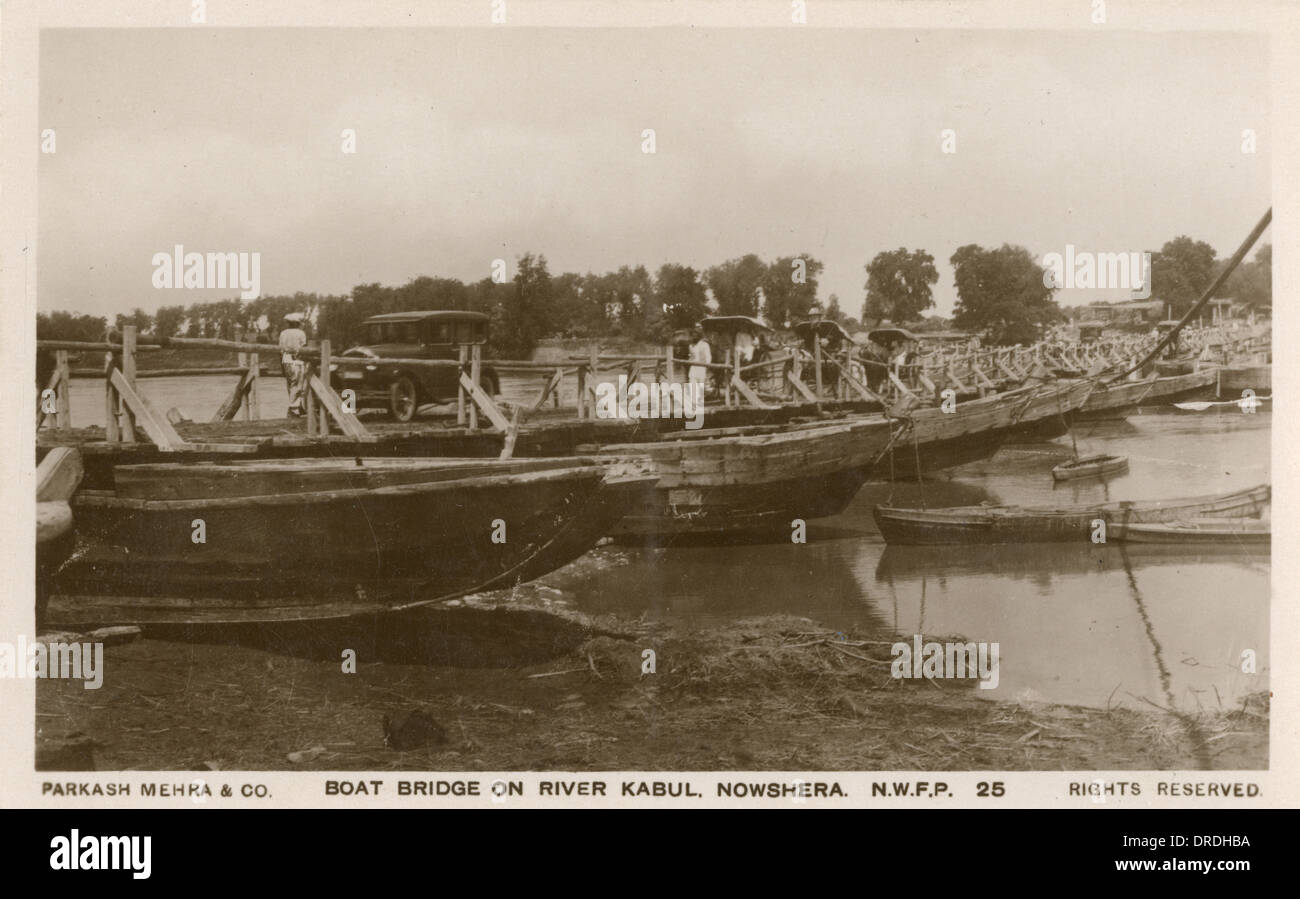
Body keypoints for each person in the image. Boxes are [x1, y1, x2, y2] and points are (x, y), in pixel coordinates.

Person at [279, 313, 309, 417]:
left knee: (291, 384)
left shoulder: (283, 333)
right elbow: (304, 347)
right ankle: (293, 408)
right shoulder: (301, 333)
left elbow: (280, 350)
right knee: (298, 384)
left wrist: (281, 365)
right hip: (297, 360)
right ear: (297, 323)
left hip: (286, 360)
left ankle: (298, 406)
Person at [687, 327, 712, 395]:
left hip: (702, 367)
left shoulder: (705, 345)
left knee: (701, 385)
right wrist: (690, 360)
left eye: (696, 335)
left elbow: (708, 357)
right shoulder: (691, 346)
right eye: (692, 335)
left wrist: (707, 367)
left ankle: (701, 400)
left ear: (699, 336)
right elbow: (690, 356)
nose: (694, 337)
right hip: (693, 368)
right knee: (692, 384)